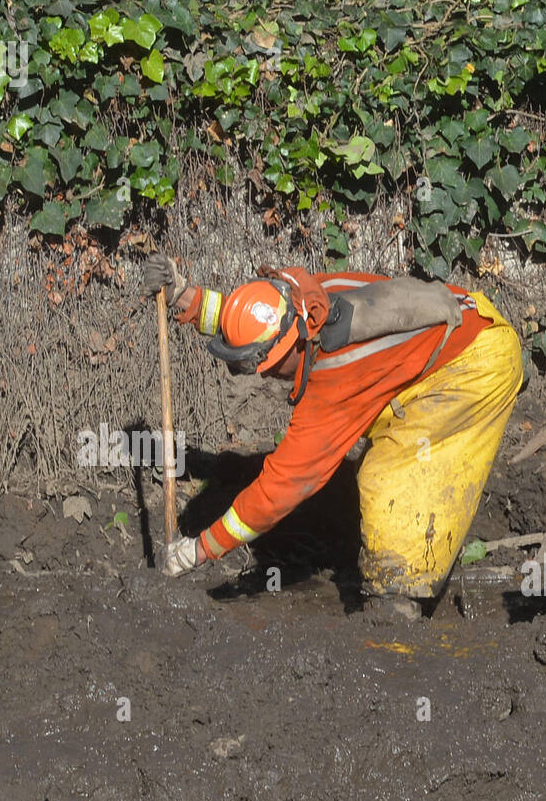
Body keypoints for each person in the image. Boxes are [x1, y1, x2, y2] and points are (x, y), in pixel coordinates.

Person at [142, 254, 523, 620]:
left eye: (266, 366)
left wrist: (199, 550)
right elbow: (245, 317)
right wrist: (184, 296)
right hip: (449, 334)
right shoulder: (300, 300)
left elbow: (282, 487)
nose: (262, 375)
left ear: (293, 346)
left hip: (474, 364)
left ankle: (397, 598)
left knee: (388, 478)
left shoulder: (336, 375)